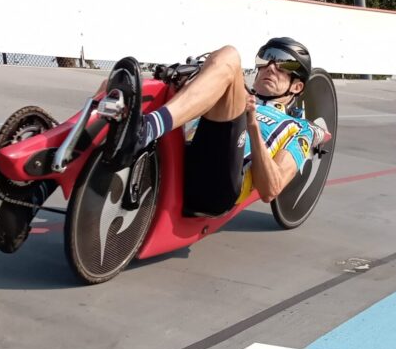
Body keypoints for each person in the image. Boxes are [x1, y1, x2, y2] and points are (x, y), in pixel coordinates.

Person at [105, 37, 330, 216]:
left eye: (284, 65)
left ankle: (145, 131)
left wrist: (251, 122)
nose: (272, 67)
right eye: (266, 59)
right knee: (122, 89)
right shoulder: (238, 93)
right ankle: (78, 146)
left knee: (230, 55)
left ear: (297, 86)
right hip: (181, 153)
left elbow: (271, 190)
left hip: (217, 185)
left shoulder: (299, 128)